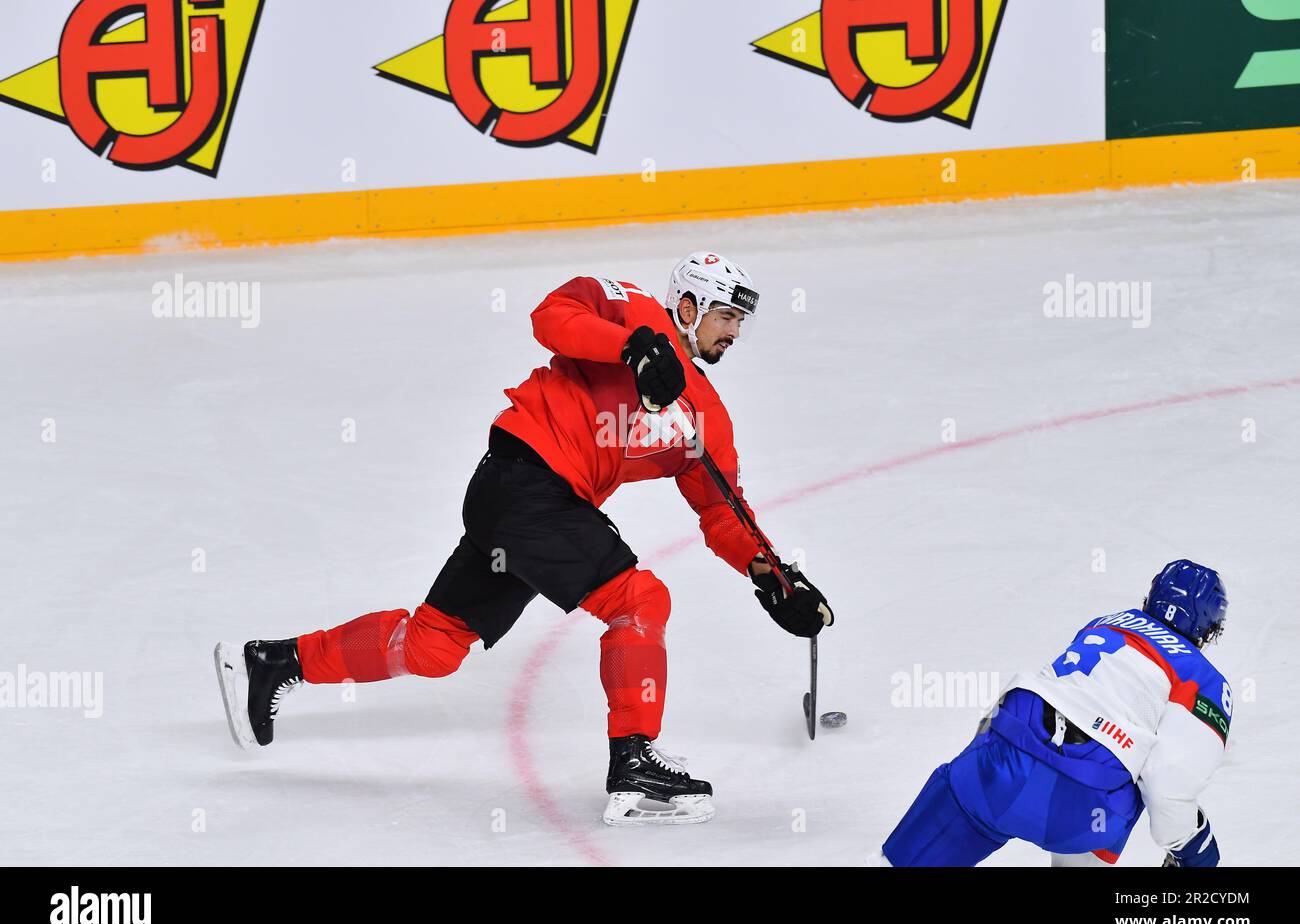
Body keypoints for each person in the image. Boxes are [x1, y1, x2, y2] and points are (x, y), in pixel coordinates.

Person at [215, 252, 833, 826]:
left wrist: (771, 576)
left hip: (529, 511)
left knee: (433, 648)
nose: (733, 332)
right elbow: (551, 315)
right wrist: (632, 347)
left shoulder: (703, 417)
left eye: (741, 322)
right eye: (726, 316)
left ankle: (276, 661)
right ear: (692, 305)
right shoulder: (632, 307)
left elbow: (722, 509)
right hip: (523, 482)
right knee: (640, 600)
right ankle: (635, 762)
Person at [874, 560, 1230, 866]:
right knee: (1130, 770)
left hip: (995, 757)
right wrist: (1196, 849)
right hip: (1082, 806)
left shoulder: (1106, 623)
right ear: (1209, 629)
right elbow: (1168, 789)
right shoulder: (1204, 678)